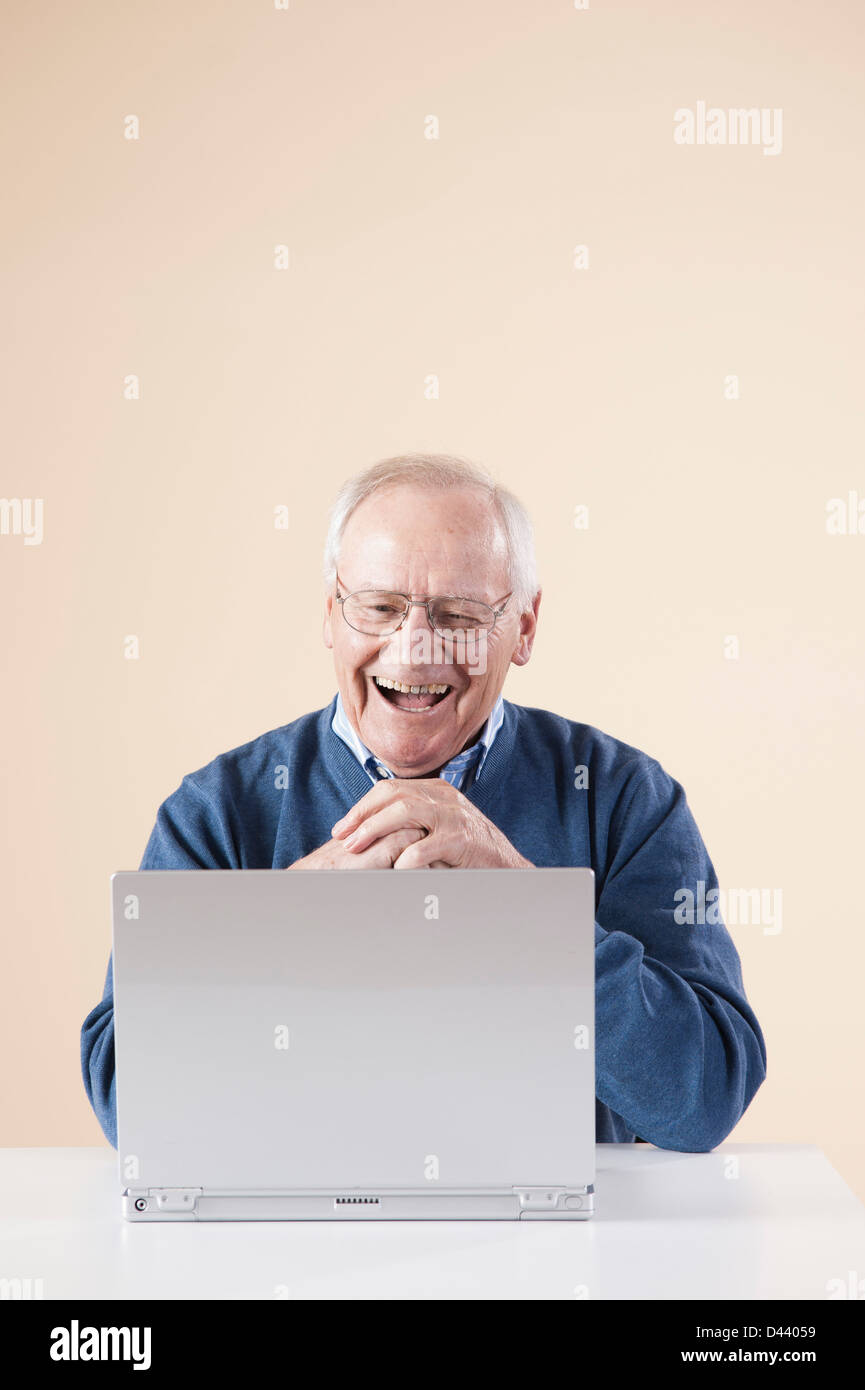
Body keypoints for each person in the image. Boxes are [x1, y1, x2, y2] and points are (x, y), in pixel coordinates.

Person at [81, 452, 766, 1151]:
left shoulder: (623, 799)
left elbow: (704, 1099)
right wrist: (281, 924)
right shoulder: (216, 812)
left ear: (525, 627)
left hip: (551, 1221)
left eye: (459, 614)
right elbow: (130, 1107)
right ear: (331, 615)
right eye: (378, 608)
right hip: (289, 1218)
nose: (411, 652)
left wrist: (530, 912)